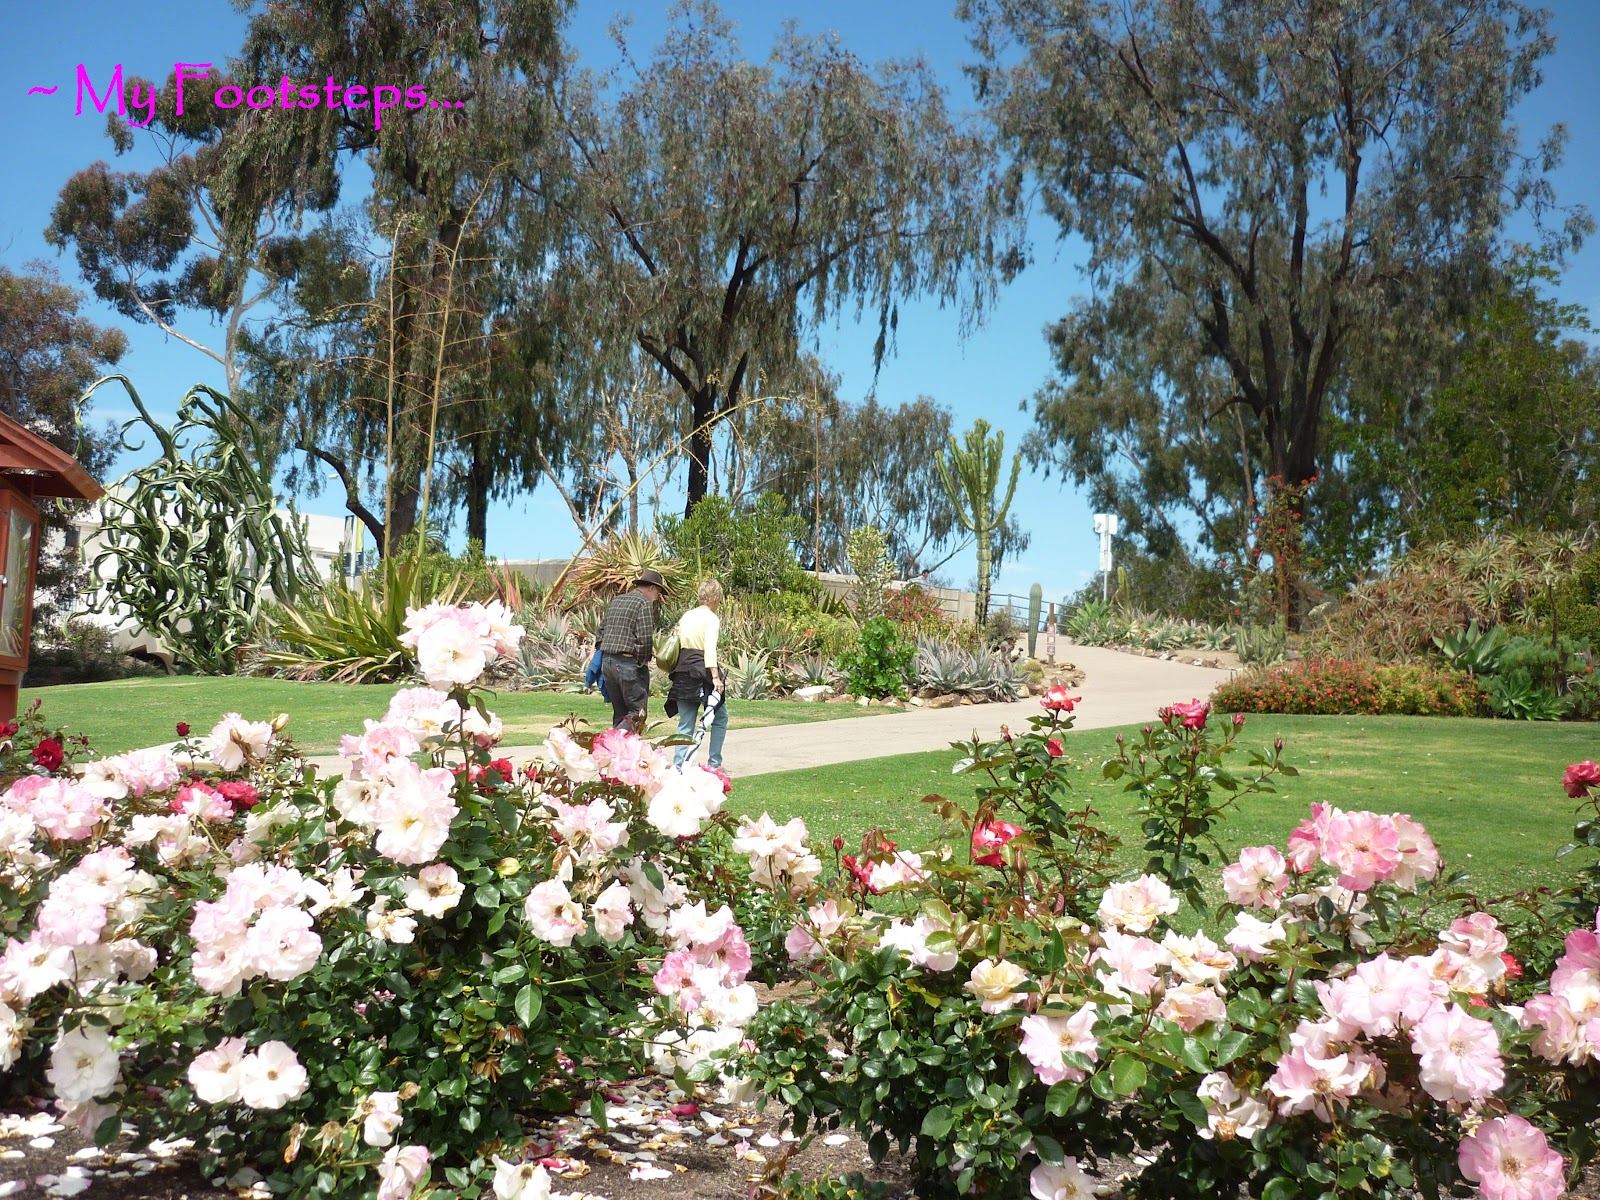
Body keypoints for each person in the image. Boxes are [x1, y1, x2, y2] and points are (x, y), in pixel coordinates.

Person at [668, 577, 729, 771]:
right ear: (716, 598)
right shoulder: (711, 618)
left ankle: (678, 766)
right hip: (701, 671)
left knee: (686, 722)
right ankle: (714, 763)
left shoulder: (687, 616)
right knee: (720, 717)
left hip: (682, 669)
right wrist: (716, 678)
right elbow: (709, 649)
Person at [596, 568, 666, 732]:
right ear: (651, 588)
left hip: (608, 663)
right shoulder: (644, 603)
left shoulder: (617, 600)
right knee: (637, 714)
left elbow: (600, 632)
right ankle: (611, 741)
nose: (658, 597)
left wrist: (605, 654)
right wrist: (641, 662)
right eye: (658, 592)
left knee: (620, 714)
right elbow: (644, 639)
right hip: (628, 664)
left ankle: (615, 753)